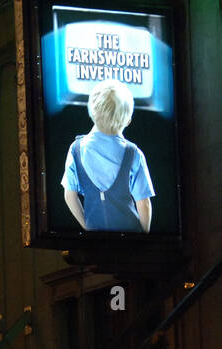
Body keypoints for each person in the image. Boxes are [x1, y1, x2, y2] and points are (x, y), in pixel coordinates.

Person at [61, 79, 155, 234]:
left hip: (96, 243)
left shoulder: (76, 149)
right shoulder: (134, 154)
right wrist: (143, 236)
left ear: (92, 111)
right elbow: (143, 203)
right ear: (128, 120)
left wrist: (87, 227)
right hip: (130, 239)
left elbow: (69, 196)